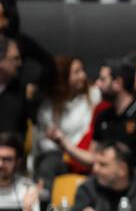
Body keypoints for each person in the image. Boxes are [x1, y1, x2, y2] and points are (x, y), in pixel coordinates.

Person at [34, 55, 99, 187]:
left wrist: (74, 151)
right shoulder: (48, 107)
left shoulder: (94, 95)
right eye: (76, 72)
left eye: (82, 70)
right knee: (49, 164)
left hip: (85, 153)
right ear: (63, 78)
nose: (83, 76)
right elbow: (44, 142)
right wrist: (64, 149)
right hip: (59, 156)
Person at [0, 133, 39, 211]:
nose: (1, 164)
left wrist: (28, 210)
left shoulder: (27, 188)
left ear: (18, 161)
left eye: (7, 159)